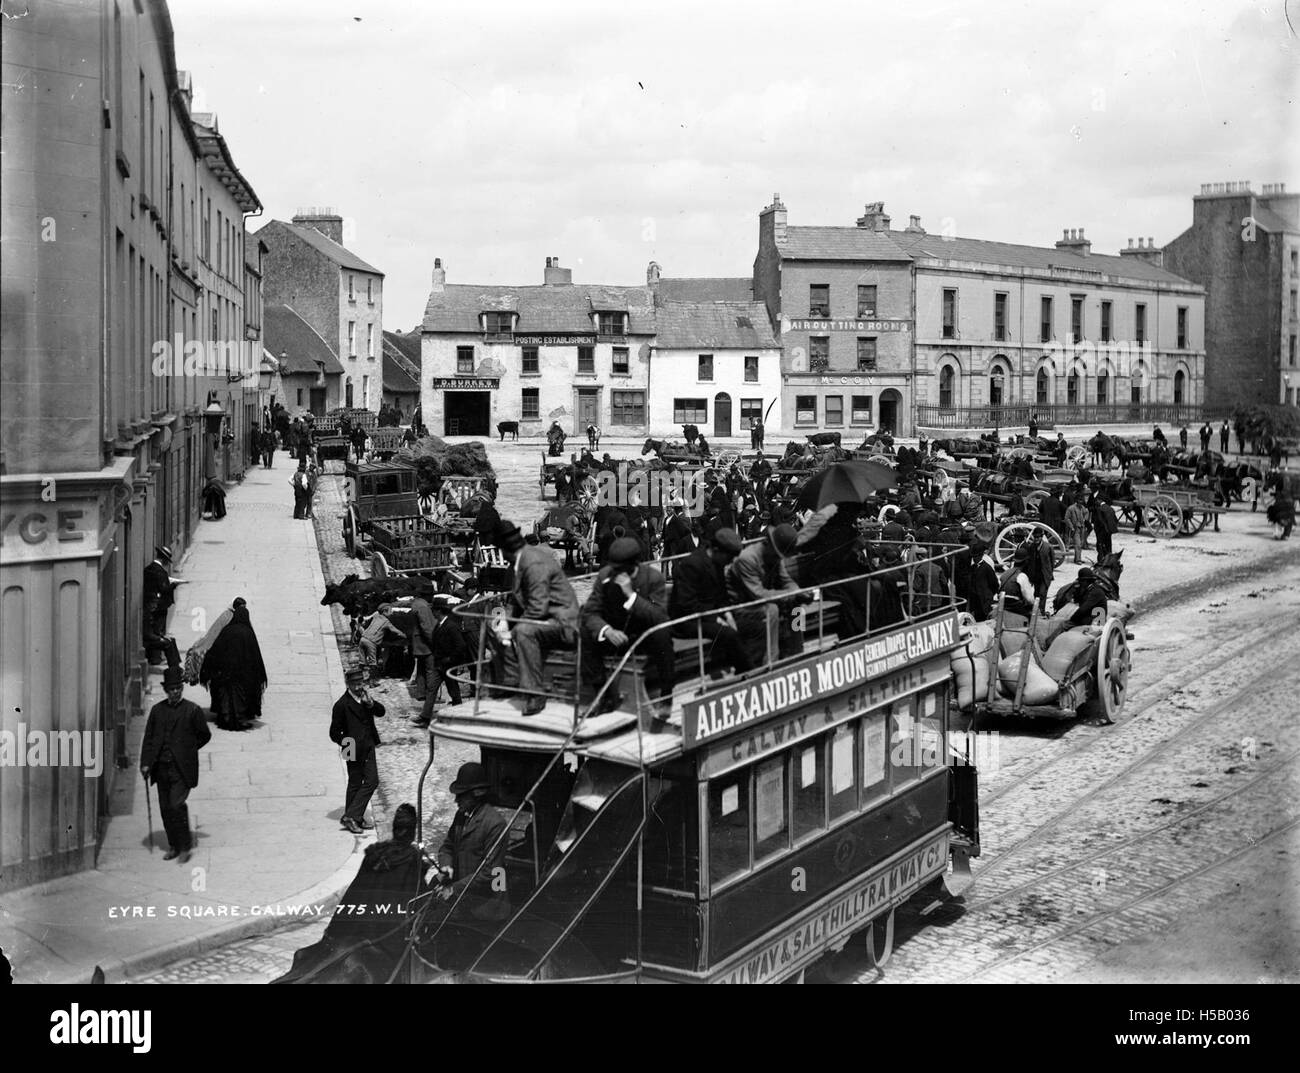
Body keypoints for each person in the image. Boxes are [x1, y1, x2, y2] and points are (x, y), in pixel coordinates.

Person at [273, 803, 430, 984]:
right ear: (412, 832)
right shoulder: (412, 859)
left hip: (355, 925)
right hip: (384, 933)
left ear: (394, 829)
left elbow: (357, 889)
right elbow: (418, 900)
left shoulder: (377, 853)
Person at [580, 536, 673, 718]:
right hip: (616, 634)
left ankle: (666, 697)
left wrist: (631, 595)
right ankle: (602, 695)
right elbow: (590, 612)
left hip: (643, 635)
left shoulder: (653, 578)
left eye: (619, 568)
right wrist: (606, 630)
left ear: (634, 564)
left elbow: (659, 617)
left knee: (663, 635)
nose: (615, 572)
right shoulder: (605, 575)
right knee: (586, 632)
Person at [495, 521, 579, 716]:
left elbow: (538, 607)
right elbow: (515, 601)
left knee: (524, 631)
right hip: (547, 618)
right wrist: (503, 625)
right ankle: (509, 681)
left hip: (562, 620)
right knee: (497, 629)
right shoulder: (520, 563)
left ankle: (535, 693)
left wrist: (512, 631)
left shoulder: (533, 563)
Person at [139, 666, 211, 861]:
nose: (175, 692)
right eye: (171, 689)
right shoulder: (157, 711)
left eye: (178, 688)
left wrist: (188, 749)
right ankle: (174, 845)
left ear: (182, 688)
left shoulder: (192, 710)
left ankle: (185, 845)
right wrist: (145, 764)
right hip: (161, 768)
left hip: (181, 769)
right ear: (166, 690)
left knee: (176, 804)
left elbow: (205, 735)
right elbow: (149, 739)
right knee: (165, 808)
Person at [431, 763, 510, 923]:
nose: (456, 800)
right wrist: (446, 865)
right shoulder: (461, 816)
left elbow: (491, 873)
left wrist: (453, 888)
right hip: (464, 902)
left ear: (476, 794)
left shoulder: (495, 824)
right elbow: (447, 846)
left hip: (487, 909)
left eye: (461, 795)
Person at [668, 526, 751, 675]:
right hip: (687, 621)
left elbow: (721, 596)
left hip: (708, 615)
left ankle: (752, 663)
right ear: (717, 550)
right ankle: (747, 672)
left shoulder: (717, 562)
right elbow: (687, 604)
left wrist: (727, 614)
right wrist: (716, 618)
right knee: (728, 634)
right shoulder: (692, 564)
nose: (730, 562)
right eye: (729, 558)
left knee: (756, 627)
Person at [727, 522, 803, 663]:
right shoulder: (747, 559)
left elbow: (786, 580)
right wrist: (787, 594)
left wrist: (798, 591)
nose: (779, 558)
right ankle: (770, 660)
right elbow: (757, 594)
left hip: (761, 602)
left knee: (797, 605)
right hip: (741, 607)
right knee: (772, 610)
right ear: (768, 544)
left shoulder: (774, 556)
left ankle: (797, 649)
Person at [330, 667, 385, 834]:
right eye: (355, 684)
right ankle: (355, 818)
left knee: (372, 781)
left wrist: (372, 704)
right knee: (354, 783)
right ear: (348, 684)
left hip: (368, 745)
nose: (358, 687)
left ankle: (351, 816)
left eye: (360, 683)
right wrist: (348, 743)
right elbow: (334, 733)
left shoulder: (365, 699)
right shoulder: (341, 705)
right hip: (351, 746)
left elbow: (381, 712)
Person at [199, 600, 268, 731]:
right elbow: (255, 657)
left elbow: (215, 651)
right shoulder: (248, 633)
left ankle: (226, 719)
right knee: (240, 698)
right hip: (242, 676)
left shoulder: (227, 631)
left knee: (226, 697)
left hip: (225, 675)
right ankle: (239, 720)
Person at [411, 597, 470, 727]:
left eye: (434, 610)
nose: (432, 612)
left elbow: (460, 646)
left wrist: (451, 659)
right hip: (439, 665)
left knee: (454, 692)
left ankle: (459, 718)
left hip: (449, 665)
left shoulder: (451, 626)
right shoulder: (439, 624)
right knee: (431, 689)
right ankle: (425, 717)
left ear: (439, 611)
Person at [143, 545, 184, 667]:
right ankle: (156, 658)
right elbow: (164, 588)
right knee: (159, 631)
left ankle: (155, 657)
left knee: (156, 631)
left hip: (150, 605)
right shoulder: (160, 572)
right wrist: (174, 585)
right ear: (165, 560)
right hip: (159, 606)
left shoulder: (149, 568)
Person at [358, 601, 406, 673]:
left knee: (362, 662)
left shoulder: (376, 616)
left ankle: (361, 677)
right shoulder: (386, 622)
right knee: (373, 663)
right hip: (371, 642)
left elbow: (375, 614)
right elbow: (395, 630)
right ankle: (372, 682)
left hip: (362, 639)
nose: (392, 613)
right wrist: (404, 635)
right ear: (385, 611)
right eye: (390, 611)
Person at [968, 542, 1001, 622]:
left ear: (981, 556)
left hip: (985, 600)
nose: (975, 559)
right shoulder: (972, 568)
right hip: (976, 601)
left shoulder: (987, 568)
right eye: (973, 557)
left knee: (986, 619)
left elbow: (994, 584)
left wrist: (988, 593)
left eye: (976, 556)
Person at [1090, 492, 1118, 558]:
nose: (1096, 502)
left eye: (1097, 500)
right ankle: (1109, 559)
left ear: (1100, 500)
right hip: (1109, 531)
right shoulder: (1110, 508)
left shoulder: (1099, 509)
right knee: (1108, 545)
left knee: (1100, 546)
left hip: (1101, 531)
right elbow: (1115, 520)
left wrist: (1097, 530)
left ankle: (1101, 560)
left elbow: (1099, 521)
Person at [1065, 495, 1090, 564]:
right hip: (1075, 529)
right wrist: (1071, 527)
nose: (1081, 503)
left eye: (1082, 501)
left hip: (1082, 528)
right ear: (1077, 501)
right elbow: (1066, 518)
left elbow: (1086, 512)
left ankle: (1078, 558)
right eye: (1079, 501)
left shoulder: (1082, 508)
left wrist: (1085, 519)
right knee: (1077, 544)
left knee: (1081, 544)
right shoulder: (1071, 508)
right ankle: (1078, 560)